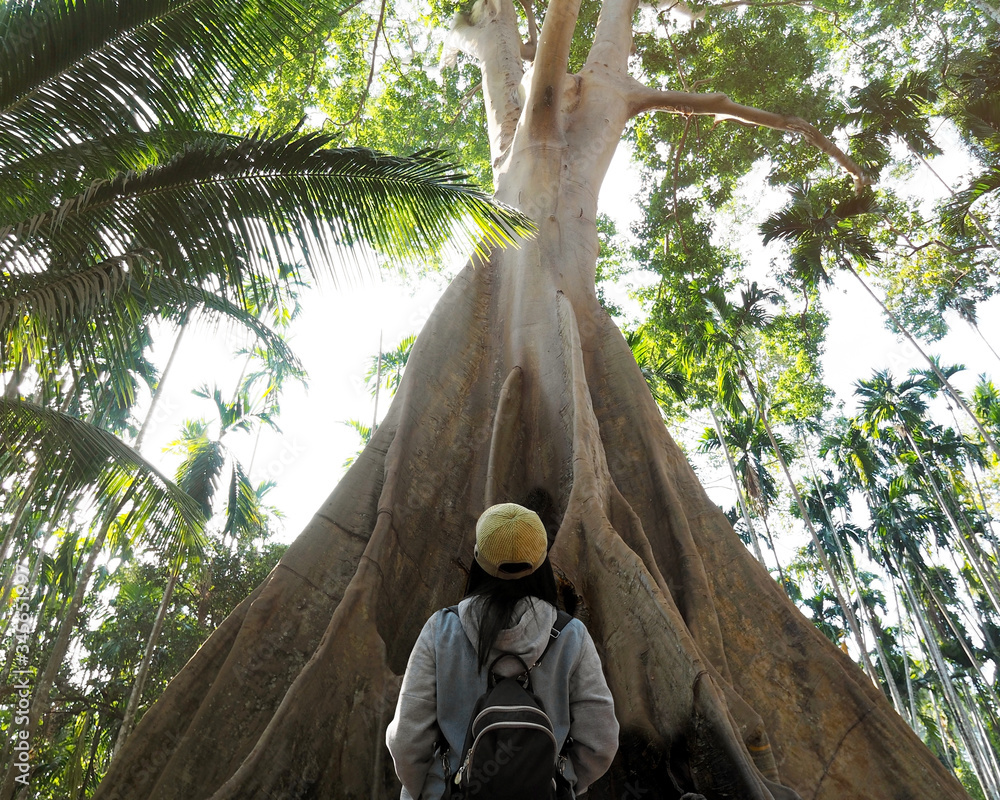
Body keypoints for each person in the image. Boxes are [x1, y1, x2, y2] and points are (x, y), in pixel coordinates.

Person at [386, 501, 620, 799]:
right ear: (543, 562)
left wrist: (429, 787)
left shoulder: (442, 630)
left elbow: (407, 740)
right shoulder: (571, 635)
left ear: (477, 559)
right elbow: (601, 741)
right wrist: (562, 781)